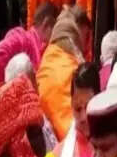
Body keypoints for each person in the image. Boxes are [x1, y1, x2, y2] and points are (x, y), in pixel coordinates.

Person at [38, 7, 93, 140]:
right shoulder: (73, 67)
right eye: (84, 38)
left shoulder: (45, 61)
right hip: (68, 142)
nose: (85, 46)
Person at [0, 3, 60, 86]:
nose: (55, 36)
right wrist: (8, 89)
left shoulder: (42, 47)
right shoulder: (23, 39)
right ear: (46, 24)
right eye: (56, 30)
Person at [59, 65, 100, 157]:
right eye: (78, 109)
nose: (83, 117)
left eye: (88, 107)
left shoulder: (116, 142)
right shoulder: (61, 156)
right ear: (71, 104)